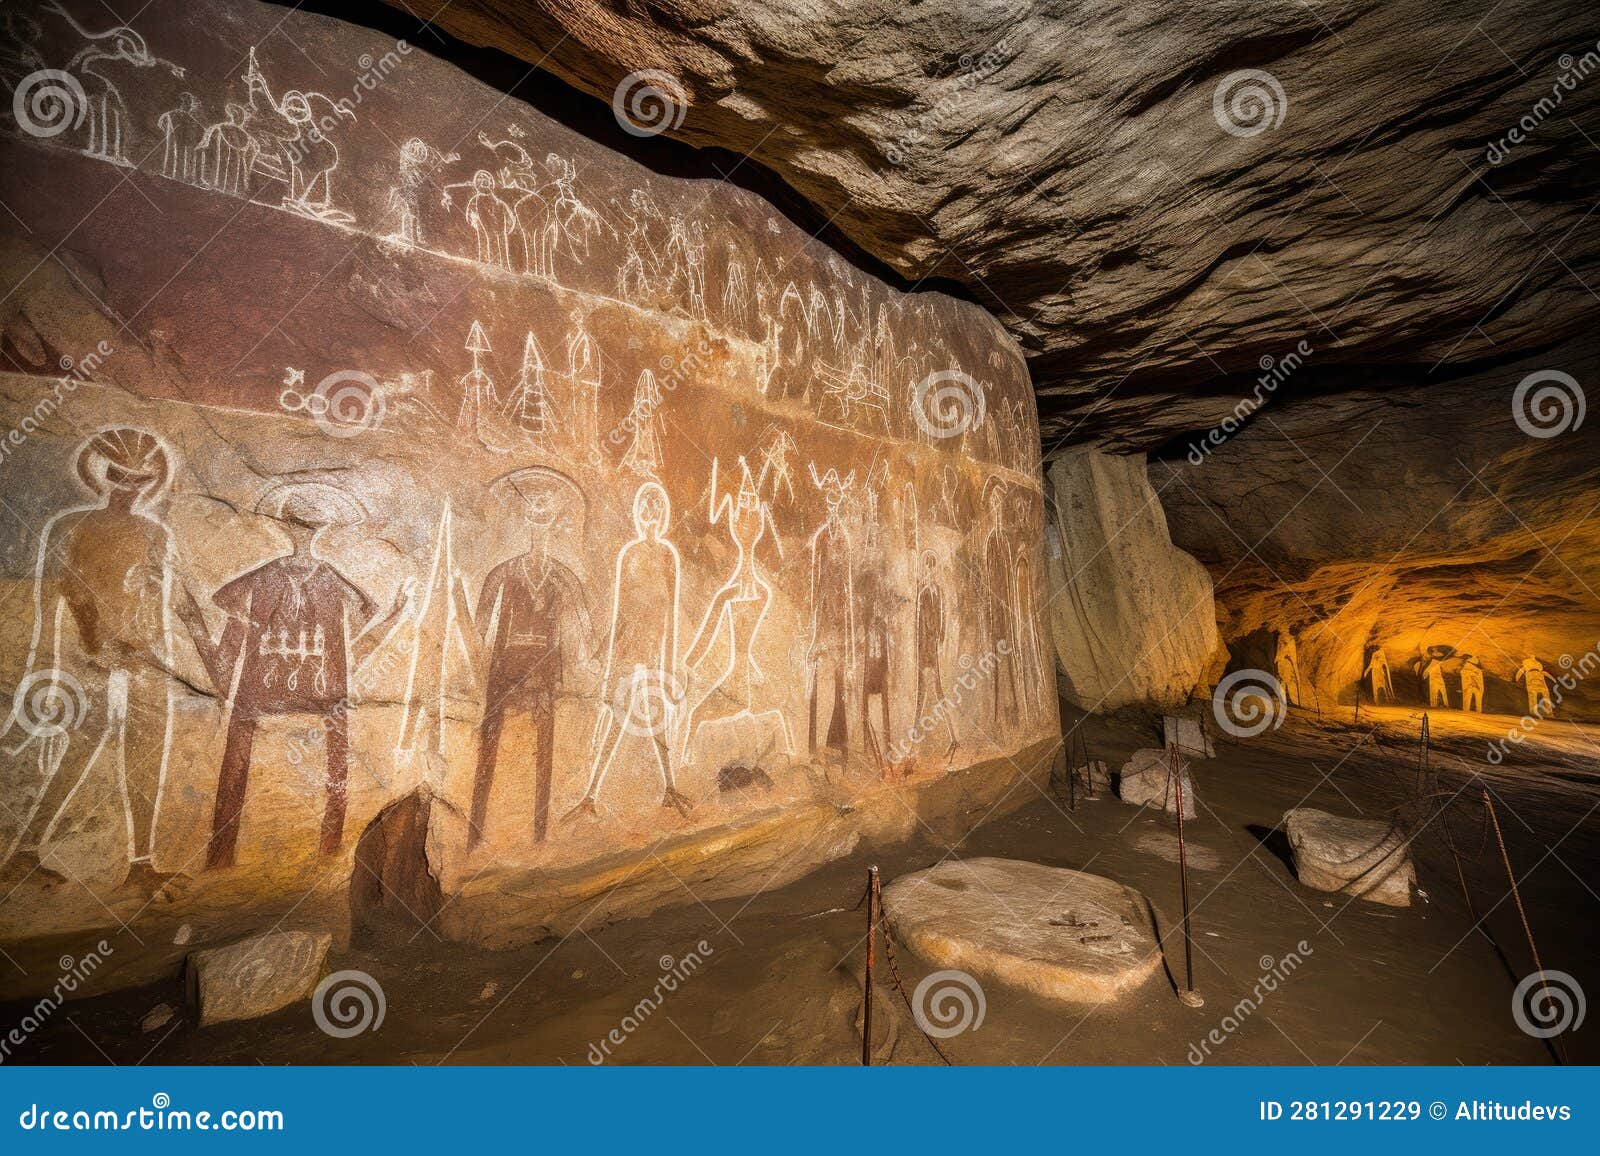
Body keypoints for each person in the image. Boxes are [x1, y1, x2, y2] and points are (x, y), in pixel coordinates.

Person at [187, 484, 408, 869]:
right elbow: (231, 642)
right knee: (241, 742)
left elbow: (356, 640)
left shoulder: (332, 580)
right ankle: (220, 853)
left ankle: (329, 847)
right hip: (264, 681)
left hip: (321, 684)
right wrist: (194, 625)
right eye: (297, 523)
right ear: (284, 526)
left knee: (336, 755)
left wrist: (395, 616)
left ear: (323, 529)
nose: (305, 533)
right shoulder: (263, 577)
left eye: (312, 525)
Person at [471, 472, 591, 846]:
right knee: (488, 747)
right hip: (504, 668)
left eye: (547, 507)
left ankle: (539, 835)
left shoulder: (563, 576)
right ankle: (475, 834)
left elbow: (584, 625)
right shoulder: (504, 572)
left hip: (542, 670)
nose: (539, 512)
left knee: (545, 753)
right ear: (525, 517)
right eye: (533, 505)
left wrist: (587, 662)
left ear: (555, 518)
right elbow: (479, 623)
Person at [567, 481, 690, 819]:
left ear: (663, 515)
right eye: (645, 508)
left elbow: (673, 612)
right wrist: (606, 662)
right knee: (619, 718)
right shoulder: (630, 553)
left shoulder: (667, 555)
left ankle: (668, 787)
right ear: (638, 514)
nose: (650, 516)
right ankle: (591, 794)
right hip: (627, 644)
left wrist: (670, 665)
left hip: (653, 645)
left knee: (655, 714)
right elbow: (620, 610)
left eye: (656, 509)